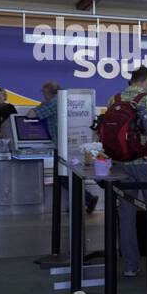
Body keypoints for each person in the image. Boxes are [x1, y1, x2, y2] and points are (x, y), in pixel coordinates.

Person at [110, 66, 147, 278]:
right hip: (146, 162)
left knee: (126, 215)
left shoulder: (114, 99)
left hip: (119, 163)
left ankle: (130, 265)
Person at [32, 80, 97, 214]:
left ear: (48, 92)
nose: (42, 94)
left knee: (63, 177)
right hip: (74, 143)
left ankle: (86, 199)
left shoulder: (53, 102)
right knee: (69, 175)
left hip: (62, 146)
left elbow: (31, 114)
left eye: (43, 92)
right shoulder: (64, 99)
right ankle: (81, 202)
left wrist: (40, 107)